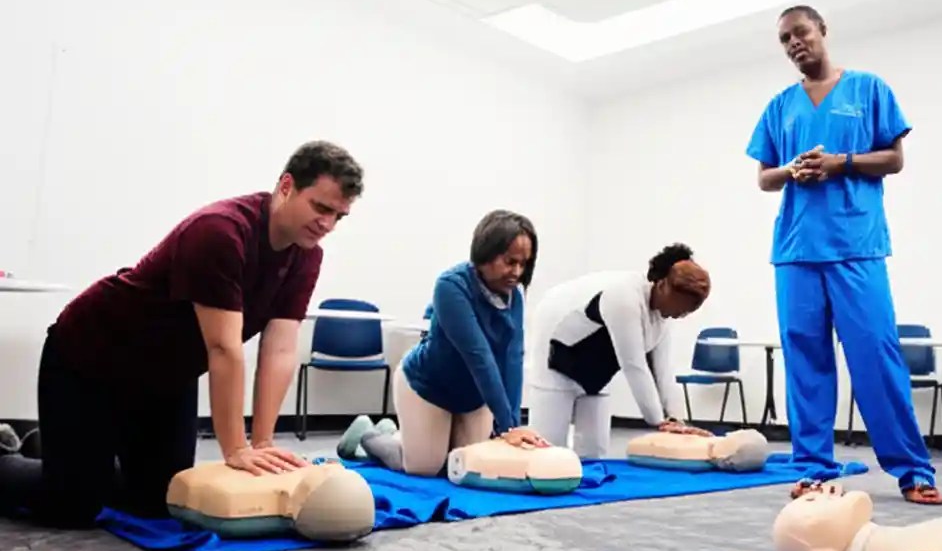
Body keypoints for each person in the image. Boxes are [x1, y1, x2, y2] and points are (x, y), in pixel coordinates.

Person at [0, 141, 364, 527]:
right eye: (321, 208)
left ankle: (59, 448)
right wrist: (236, 448)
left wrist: (263, 444)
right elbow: (224, 347)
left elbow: (280, 348)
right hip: (91, 359)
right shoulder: (221, 232)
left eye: (338, 217)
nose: (327, 224)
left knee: (160, 501)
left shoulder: (307, 255)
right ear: (287, 186)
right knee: (71, 506)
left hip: (164, 378)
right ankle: (18, 454)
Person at [745, 4, 942, 504]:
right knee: (805, 362)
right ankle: (813, 467)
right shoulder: (780, 105)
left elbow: (894, 159)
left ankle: (913, 470)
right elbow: (765, 176)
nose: (794, 44)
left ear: (823, 31)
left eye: (801, 32)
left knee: (876, 355)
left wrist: (841, 163)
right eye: (785, 39)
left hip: (857, 246)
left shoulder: (869, 89)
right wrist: (795, 171)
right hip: (795, 250)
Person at [343, 210, 549, 476]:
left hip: (473, 396)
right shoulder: (451, 286)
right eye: (510, 262)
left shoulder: (514, 296)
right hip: (429, 388)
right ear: (485, 252)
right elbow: (479, 356)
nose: (516, 272)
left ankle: (402, 435)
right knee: (424, 467)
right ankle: (371, 435)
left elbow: (512, 359)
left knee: (465, 466)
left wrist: (513, 426)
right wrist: (508, 428)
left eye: (524, 264)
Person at [525, 243, 713, 458]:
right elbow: (633, 365)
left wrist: (677, 420)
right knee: (548, 451)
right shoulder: (624, 296)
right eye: (681, 307)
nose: (681, 315)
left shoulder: (663, 313)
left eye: (688, 311)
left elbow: (664, 372)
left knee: (595, 452)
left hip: (595, 363)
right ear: (662, 285)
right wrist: (659, 422)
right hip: (555, 347)